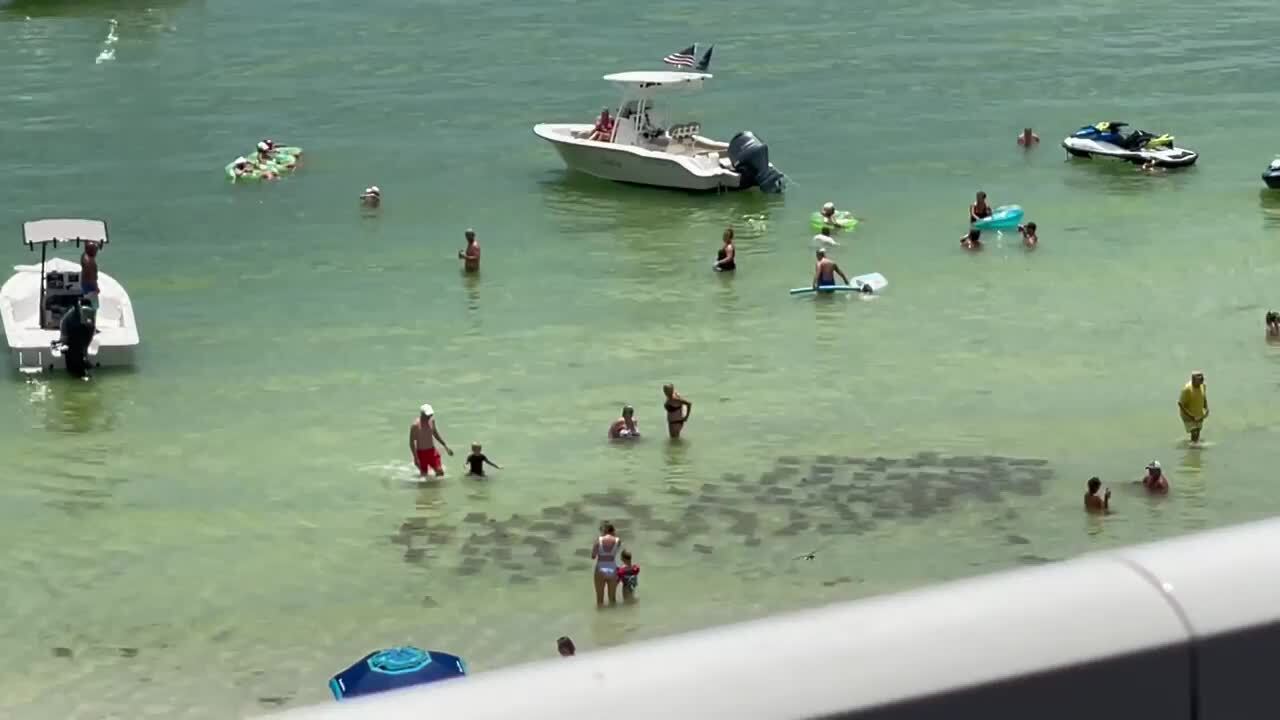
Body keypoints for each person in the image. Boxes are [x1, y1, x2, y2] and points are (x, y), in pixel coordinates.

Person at [409, 403, 453, 477]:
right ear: (422, 414)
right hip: (421, 453)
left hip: (432, 452)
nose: (429, 416)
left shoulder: (431, 421)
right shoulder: (415, 426)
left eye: (431, 414)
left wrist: (445, 446)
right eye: (428, 415)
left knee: (440, 472)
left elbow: (435, 434)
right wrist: (415, 457)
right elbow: (411, 442)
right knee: (424, 476)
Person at [57, 301, 96, 380]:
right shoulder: (69, 317)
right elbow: (91, 330)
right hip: (73, 332)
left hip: (80, 331)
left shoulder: (69, 316)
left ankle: (81, 365)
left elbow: (91, 330)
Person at [591, 522, 622, 607]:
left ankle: (600, 619)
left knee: (599, 600)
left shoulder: (598, 540)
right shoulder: (617, 541)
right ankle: (613, 618)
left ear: (604, 530)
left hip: (600, 567)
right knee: (612, 599)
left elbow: (593, 556)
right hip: (612, 567)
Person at [1177, 371, 1208, 444]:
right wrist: (1191, 416)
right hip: (1187, 415)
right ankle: (1193, 451)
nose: (1201, 381)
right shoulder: (1187, 389)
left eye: (1202, 379)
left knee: (1197, 433)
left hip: (1198, 413)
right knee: (1194, 432)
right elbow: (1180, 404)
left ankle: (1194, 451)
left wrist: (1206, 408)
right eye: (1199, 380)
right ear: (1193, 379)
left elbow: (1204, 397)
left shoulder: (1203, 386)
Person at [79, 241, 101, 307]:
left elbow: (86, 245)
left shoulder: (84, 256)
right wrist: (96, 288)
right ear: (91, 250)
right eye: (95, 249)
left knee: (85, 302)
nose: (97, 251)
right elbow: (92, 278)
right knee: (93, 306)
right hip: (90, 287)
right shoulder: (90, 263)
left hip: (84, 284)